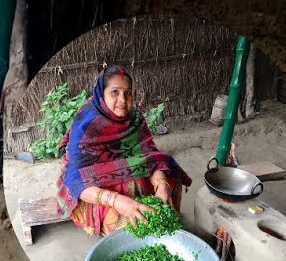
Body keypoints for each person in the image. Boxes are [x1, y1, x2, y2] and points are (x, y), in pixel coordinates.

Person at [55, 65, 191, 236]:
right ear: (101, 94)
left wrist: (161, 184)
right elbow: (75, 181)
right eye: (115, 92)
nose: (122, 99)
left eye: (127, 93)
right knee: (130, 224)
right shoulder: (86, 124)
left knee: (170, 180)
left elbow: (150, 157)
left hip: (128, 172)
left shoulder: (134, 119)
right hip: (95, 187)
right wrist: (118, 201)